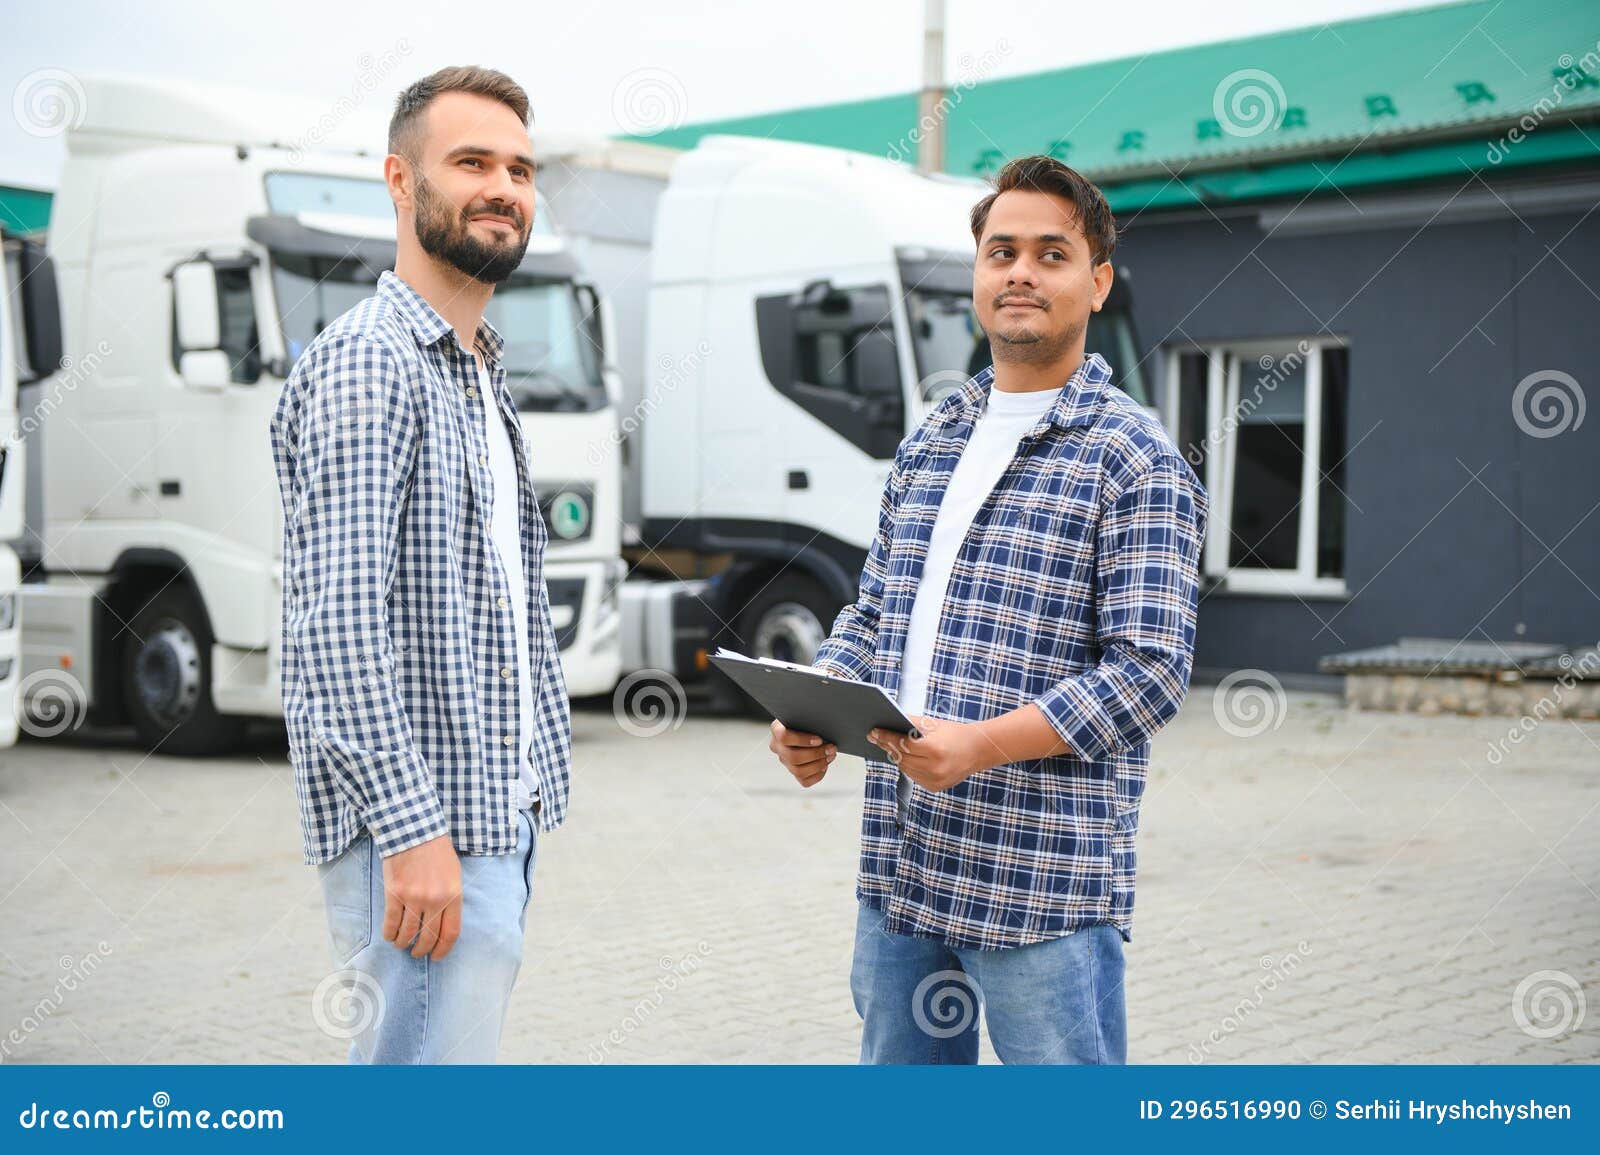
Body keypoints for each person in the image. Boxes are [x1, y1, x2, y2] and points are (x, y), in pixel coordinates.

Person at [770, 154, 1207, 1064]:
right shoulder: (935, 436)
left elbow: (1151, 671)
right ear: (976, 273)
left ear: (1097, 282)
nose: (1020, 271)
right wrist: (816, 704)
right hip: (905, 859)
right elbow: (878, 611)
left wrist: (983, 744)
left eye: (1051, 254)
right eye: (1001, 250)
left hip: (1036, 873)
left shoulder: (1134, 456)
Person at [269, 66, 570, 1063]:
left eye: (521, 169)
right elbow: (335, 626)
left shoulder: (475, 368)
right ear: (400, 183)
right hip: (423, 832)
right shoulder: (373, 362)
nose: (504, 187)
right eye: (472, 162)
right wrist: (409, 833)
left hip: (488, 814)